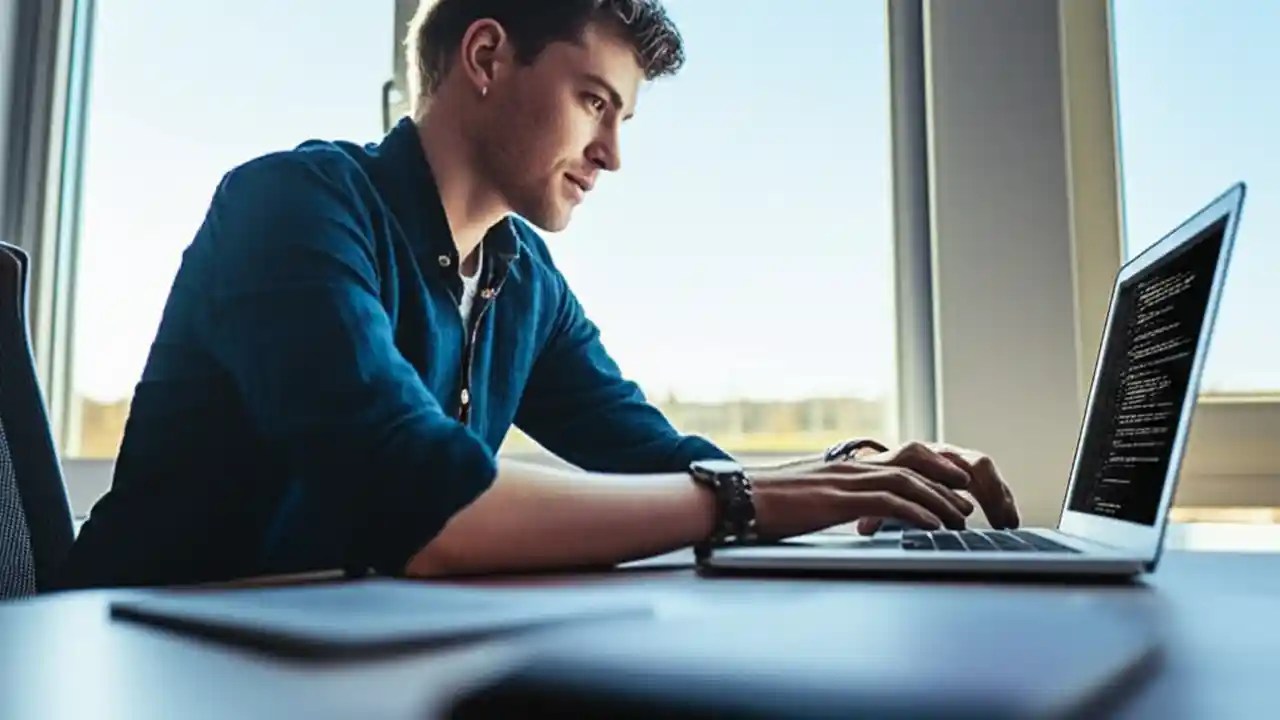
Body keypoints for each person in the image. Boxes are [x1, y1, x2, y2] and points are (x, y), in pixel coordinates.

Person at [58, 0, 1019, 589]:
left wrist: (856, 471)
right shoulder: (292, 205)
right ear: (485, 58)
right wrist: (756, 498)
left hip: (314, 661)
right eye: (595, 101)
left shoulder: (523, 279)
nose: (611, 153)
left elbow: (660, 461)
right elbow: (422, 508)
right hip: (129, 657)